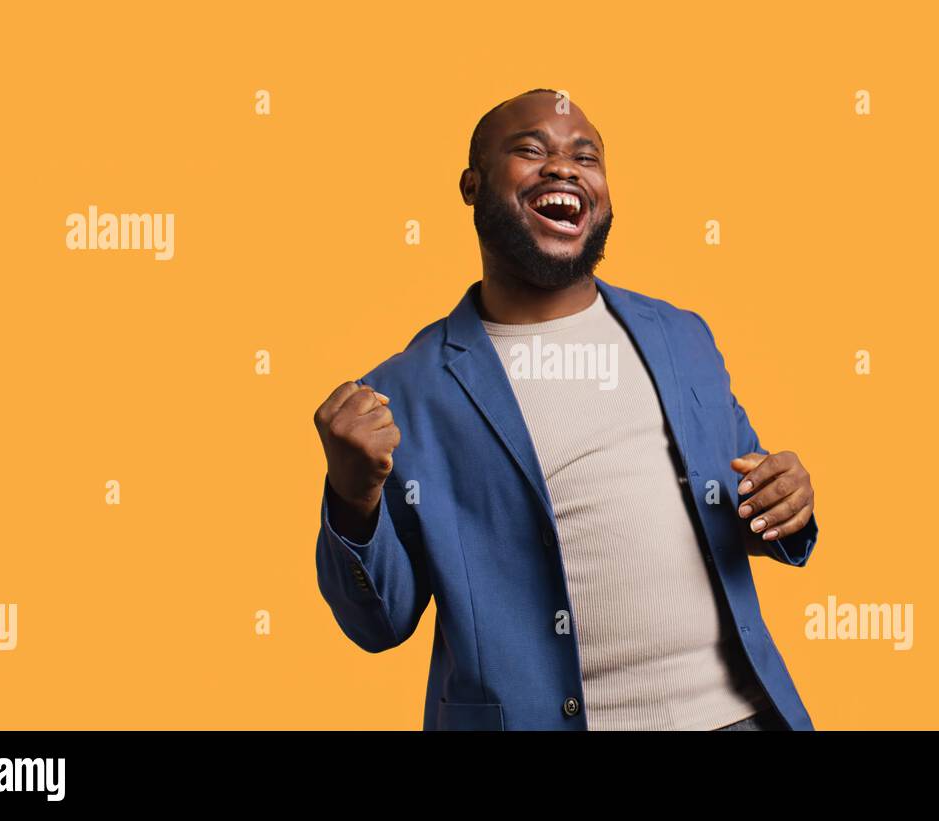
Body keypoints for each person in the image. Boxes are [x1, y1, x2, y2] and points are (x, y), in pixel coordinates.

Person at [313, 89, 820, 731]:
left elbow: (745, 505)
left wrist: (788, 501)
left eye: (587, 156)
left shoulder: (681, 335)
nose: (564, 167)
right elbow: (377, 623)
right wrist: (352, 499)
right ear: (471, 186)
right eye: (531, 150)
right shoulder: (401, 393)